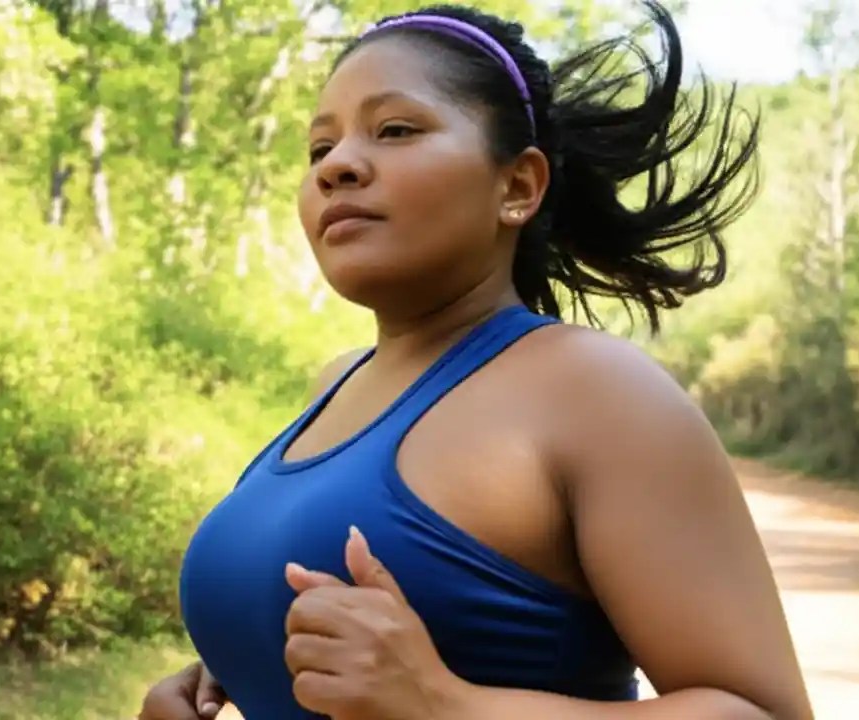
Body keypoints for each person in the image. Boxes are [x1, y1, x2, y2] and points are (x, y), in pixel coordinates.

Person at [138, 2, 813, 719]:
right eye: (318, 150)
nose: (336, 165)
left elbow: (760, 711)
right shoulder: (334, 385)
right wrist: (233, 664)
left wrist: (444, 704)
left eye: (394, 129)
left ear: (517, 186)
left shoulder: (594, 392)